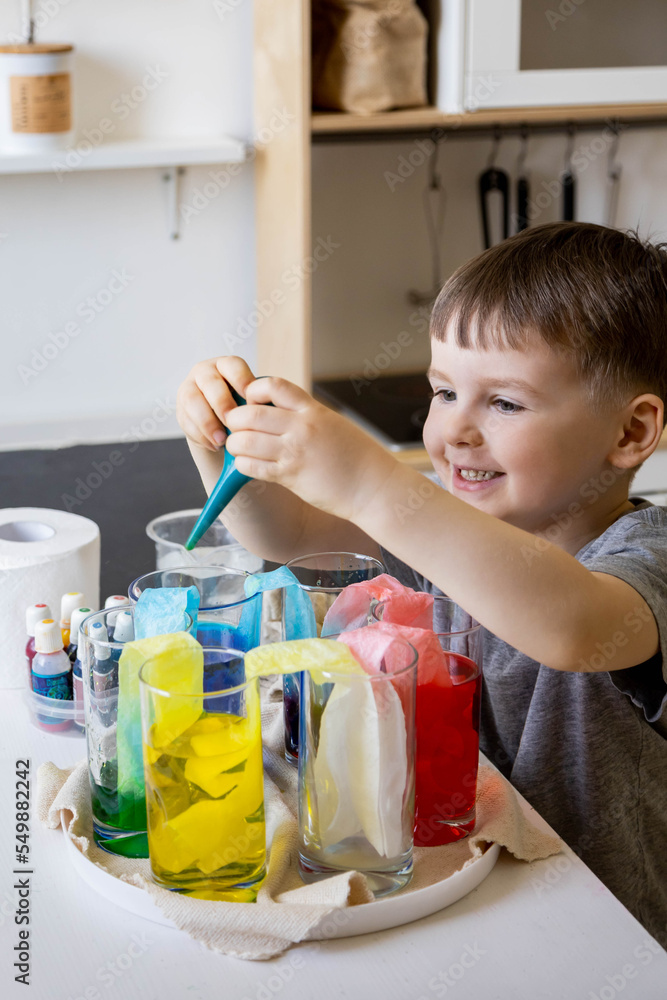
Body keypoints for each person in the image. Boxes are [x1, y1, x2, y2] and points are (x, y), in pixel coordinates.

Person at [177, 222, 667, 947]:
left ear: (629, 434)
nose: (455, 432)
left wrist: (375, 484)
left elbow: (572, 625)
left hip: (607, 936)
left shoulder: (648, 555)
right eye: (443, 392)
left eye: (503, 403)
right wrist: (225, 450)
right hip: (470, 899)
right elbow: (290, 536)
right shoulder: (448, 520)